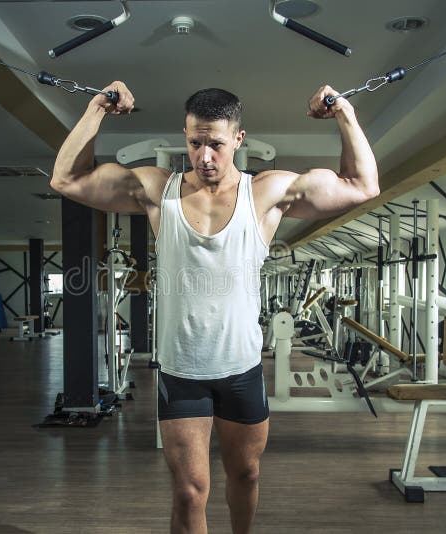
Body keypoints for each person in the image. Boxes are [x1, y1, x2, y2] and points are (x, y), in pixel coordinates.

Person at [50, 81, 379, 534]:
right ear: (185, 135)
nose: (205, 156)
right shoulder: (156, 190)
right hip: (181, 372)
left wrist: (343, 112)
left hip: (241, 370)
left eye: (216, 144)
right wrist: (96, 110)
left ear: (238, 140)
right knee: (189, 492)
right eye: (195, 143)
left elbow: (362, 185)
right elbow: (66, 179)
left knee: (246, 474)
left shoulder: (265, 193)